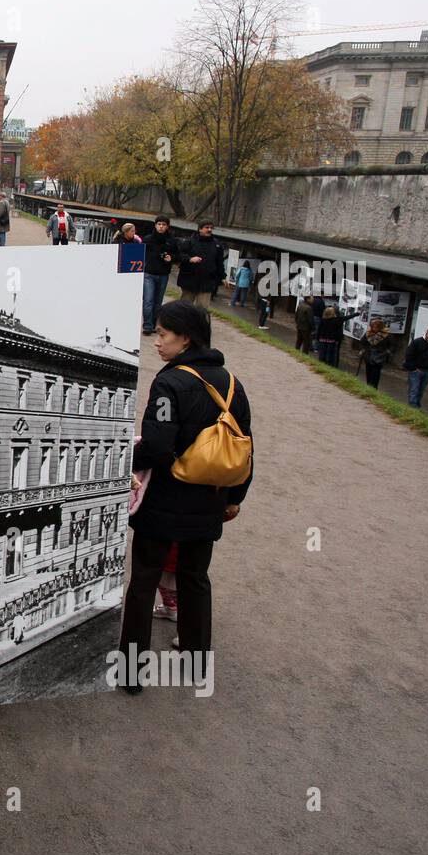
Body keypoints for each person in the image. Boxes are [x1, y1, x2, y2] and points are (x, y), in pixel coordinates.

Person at [117, 301, 252, 693]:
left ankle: (131, 674)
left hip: (165, 499)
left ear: (186, 338)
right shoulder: (231, 384)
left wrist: (127, 459)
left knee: (143, 581)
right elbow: (244, 446)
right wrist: (234, 496)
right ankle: (195, 663)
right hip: (209, 498)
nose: (156, 341)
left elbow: (158, 448)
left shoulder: (169, 383)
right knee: (195, 579)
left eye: (162, 334)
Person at [142, 216, 178, 335]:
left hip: (163, 273)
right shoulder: (148, 239)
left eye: (163, 224)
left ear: (167, 226)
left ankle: (154, 323)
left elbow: (177, 255)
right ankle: (147, 325)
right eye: (159, 224)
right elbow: (141, 254)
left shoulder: (171, 241)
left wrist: (171, 258)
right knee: (148, 300)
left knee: (158, 302)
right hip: (149, 273)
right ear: (155, 225)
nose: (161, 227)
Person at [176, 219, 225, 307]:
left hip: (207, 282)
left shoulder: (217, 245)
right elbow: (179, 255)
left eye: (211, 228)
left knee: (202, 309)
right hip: (189, 280)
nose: (209, 230)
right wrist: (190, 259)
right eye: (206, 227)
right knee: (185, 308)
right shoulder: (190, 242)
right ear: (200, 229)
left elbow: (219, 262)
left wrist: (223, 277)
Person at [402, 326, 428, 408]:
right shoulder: (417, 342)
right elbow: (409, 355)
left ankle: (417, 404)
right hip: (416, 370)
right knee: (414, 388)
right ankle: (413, 406)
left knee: (421, 389)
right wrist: (413, 368)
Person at [360, 318, 393, 388]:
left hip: (379, 357)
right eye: (373, 327)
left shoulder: (386, 335)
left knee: (375, 375)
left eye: (376, 327)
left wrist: (388, 351)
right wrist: (364, 349)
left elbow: (392, 345)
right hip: (369, 356)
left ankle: (374, 389)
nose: (374, 328)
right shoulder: (368, 333)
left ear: (380, 327)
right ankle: (368, 388)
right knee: (368, 374)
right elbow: (363, 341)